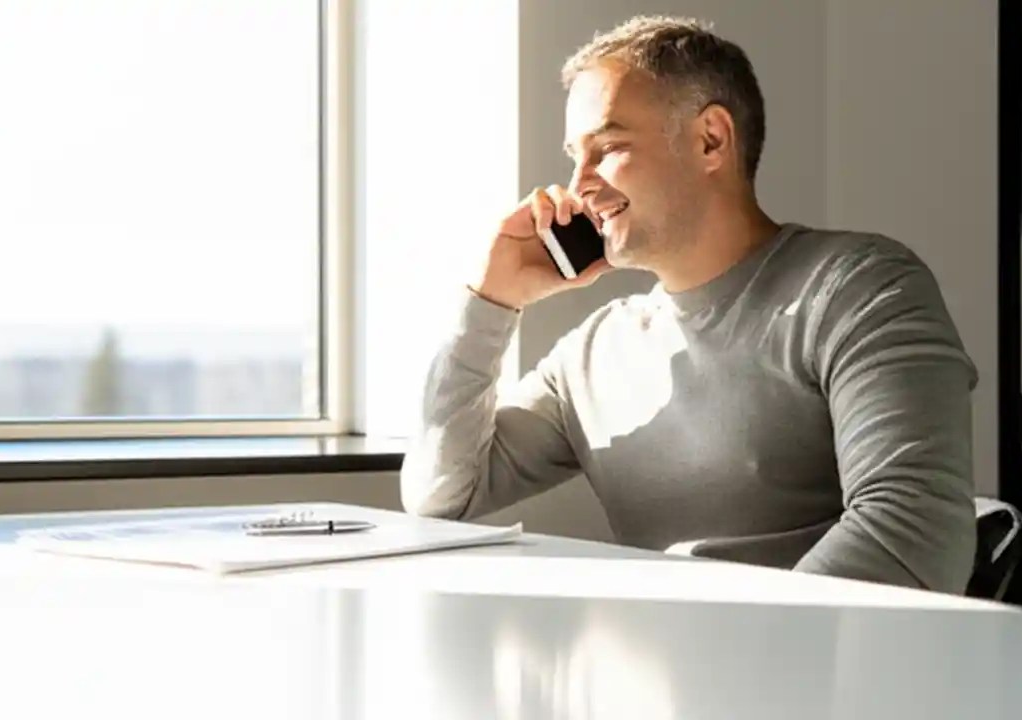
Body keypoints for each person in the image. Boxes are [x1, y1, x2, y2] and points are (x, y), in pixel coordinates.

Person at [400, 15, 978, 593]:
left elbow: (914, 531)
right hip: (662, 667)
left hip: (801, 673)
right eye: (575, 156)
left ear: (711, 140)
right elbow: (441, 493)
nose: (579, 187)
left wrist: (737, 660)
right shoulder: (594, 355)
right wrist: (490, 301)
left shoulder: (860, 287)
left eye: (608, 148)